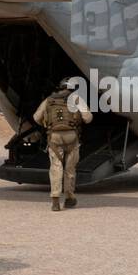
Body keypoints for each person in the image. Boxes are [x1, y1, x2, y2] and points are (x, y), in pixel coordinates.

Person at [33, 77, 93, 211]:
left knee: (56, 167)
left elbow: (36, 117)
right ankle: (69, 198)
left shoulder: (49, 100)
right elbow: (88, 118)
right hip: (72, 137)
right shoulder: (76, 99)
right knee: (70, 169)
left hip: (54, 138)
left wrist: (48, 124)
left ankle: (55, 200)